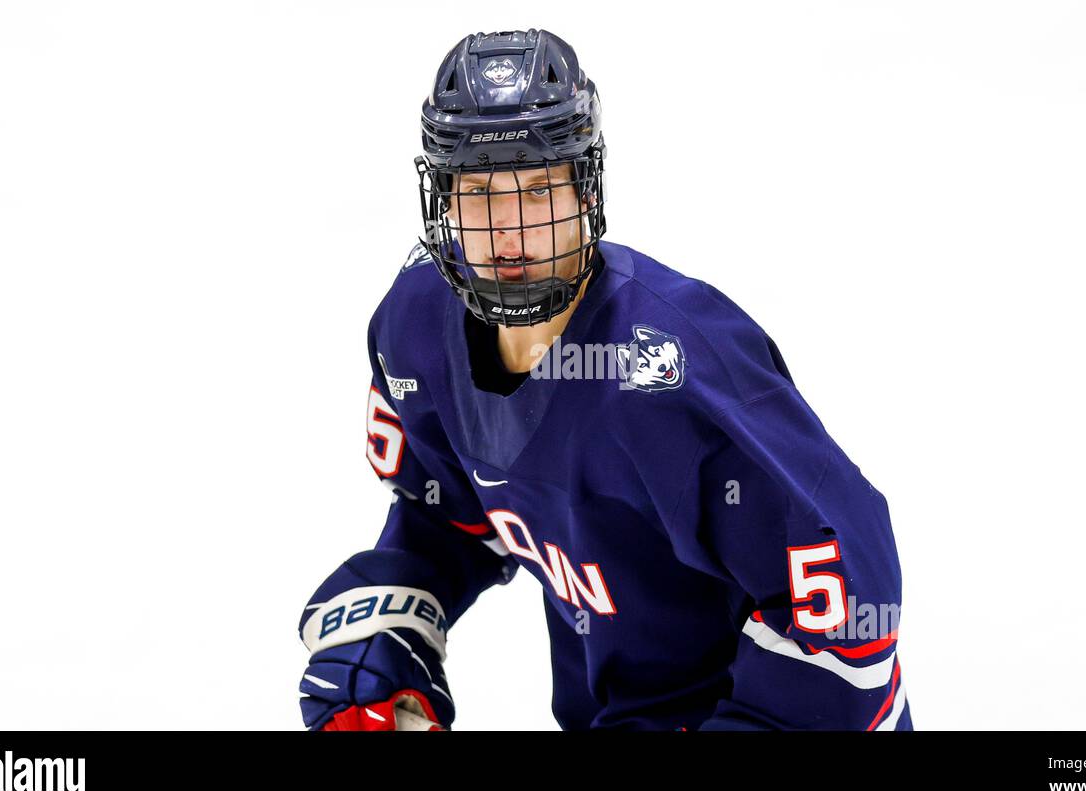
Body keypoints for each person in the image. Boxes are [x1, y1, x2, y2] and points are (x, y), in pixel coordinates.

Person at [297, 28, 912, 731]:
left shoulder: (674, 365)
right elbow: (457, 509)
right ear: (439, 202)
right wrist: (394, 619)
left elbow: (849, 613)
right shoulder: (413, 330)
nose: (509, 231)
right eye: (478, 192)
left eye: (536, 188)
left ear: (585, 191)